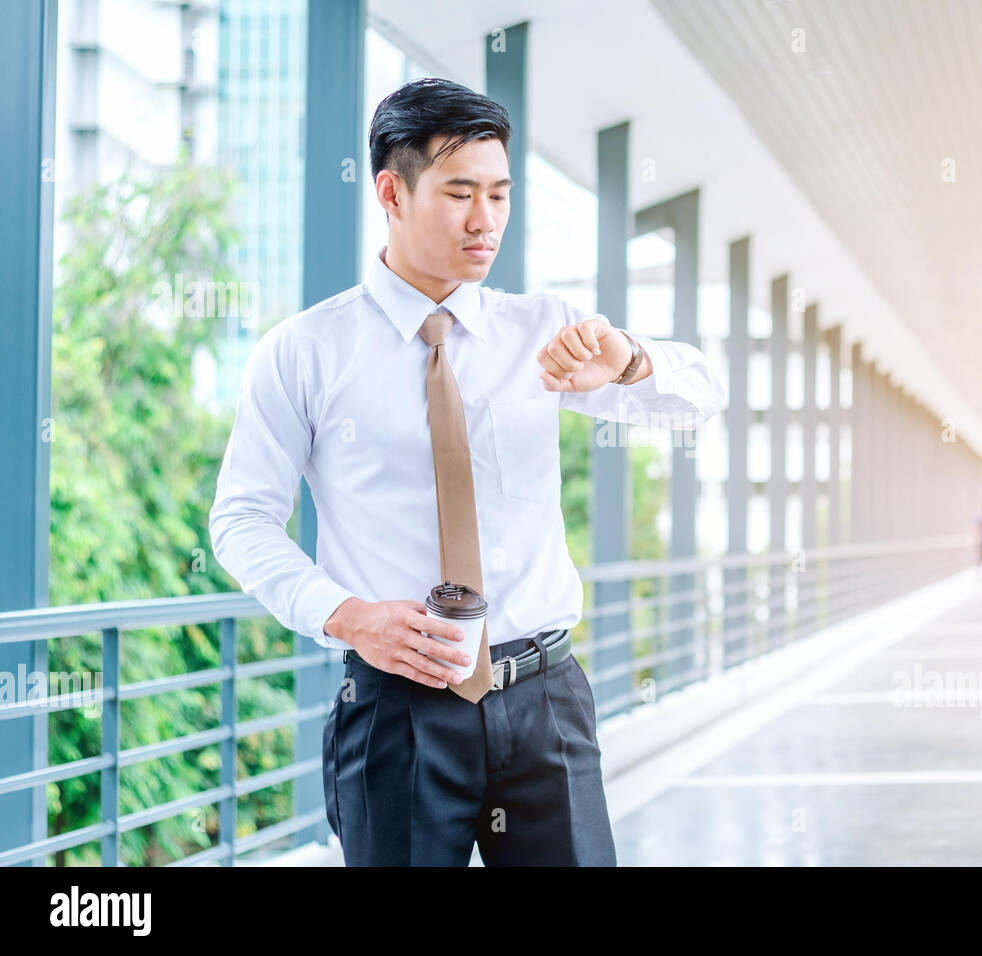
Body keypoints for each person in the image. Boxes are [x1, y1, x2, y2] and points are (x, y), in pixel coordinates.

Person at [208, 78, 726, 866]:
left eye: (499, 194)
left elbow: (699, 400)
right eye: (459, 194)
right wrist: (346, 615)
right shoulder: (306, 352)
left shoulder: (546, 331)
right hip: (398, 712)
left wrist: (628, 363)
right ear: (391, 190)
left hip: (545, 700)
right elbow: (241, 520)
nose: (485, 221)